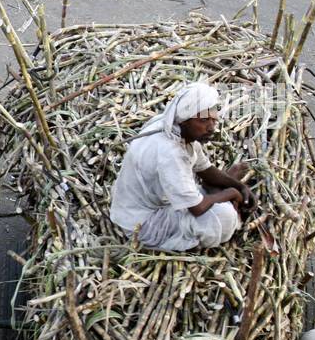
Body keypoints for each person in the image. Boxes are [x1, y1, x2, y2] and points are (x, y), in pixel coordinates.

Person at [109, 81, 254, 251]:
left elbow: (205, 169)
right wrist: (231, 192)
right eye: (204, 120)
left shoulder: (171, 127)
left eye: (213, 121)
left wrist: (239, 187)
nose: (211, 128)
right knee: (224, 216)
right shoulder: (171, 153)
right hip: (142, 224)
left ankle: (220, 194)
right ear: (186, 119)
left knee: (211, 190)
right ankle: (217, 220)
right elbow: (197, 208)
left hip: (145, 205)